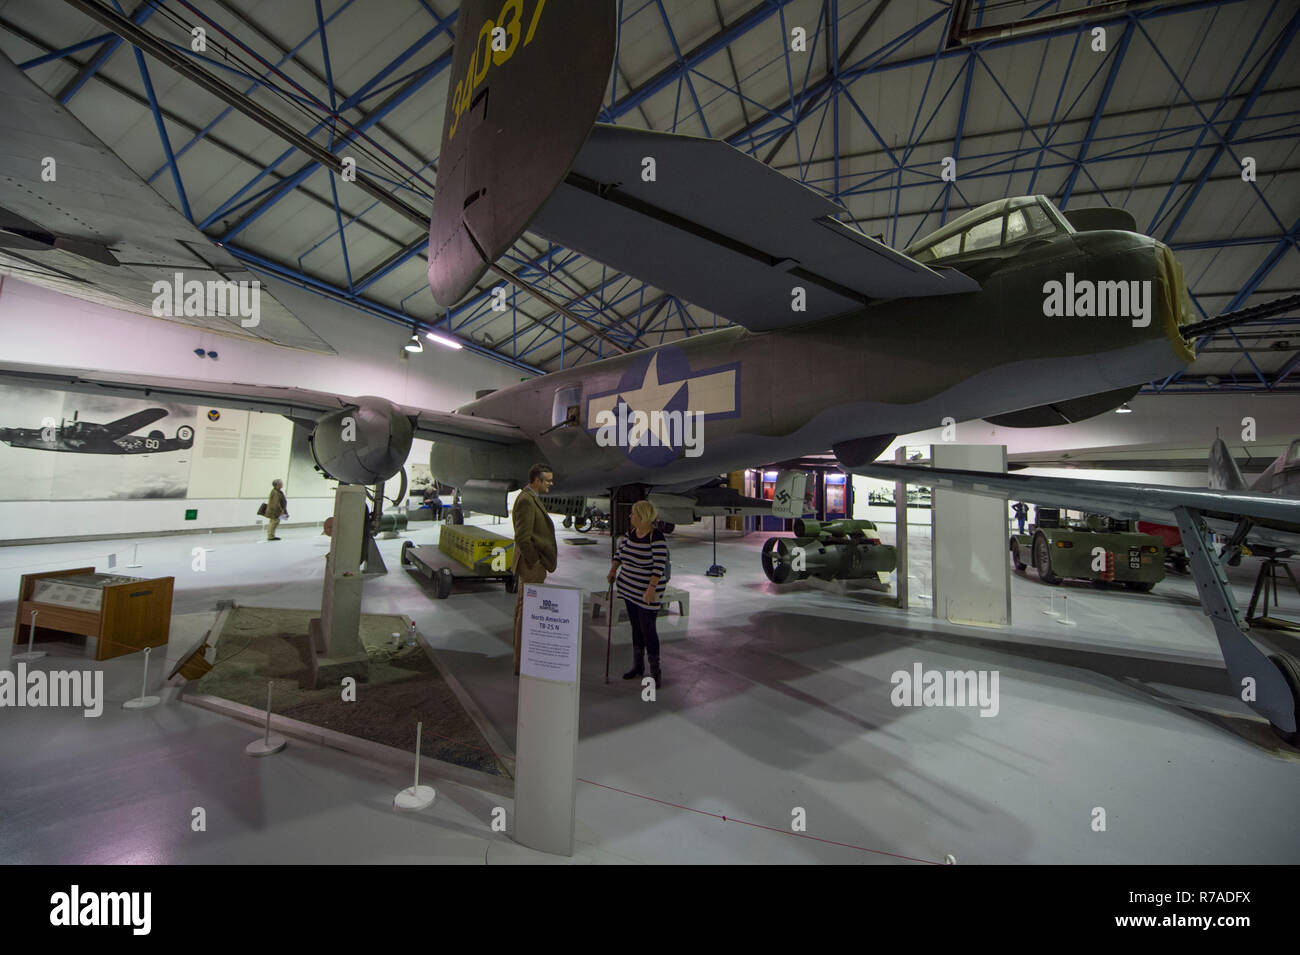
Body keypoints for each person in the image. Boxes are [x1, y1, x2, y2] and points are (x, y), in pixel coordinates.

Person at [608, 499, 669, 687]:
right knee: (636, 627)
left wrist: (651, 589)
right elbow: (619, 553)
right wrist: (613, 569)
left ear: (642, 516)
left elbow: (659, 566)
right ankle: (638, 665)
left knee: (648, 628)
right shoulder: (631, 533)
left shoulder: (656, 537)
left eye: (633, 513)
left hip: (646, 593)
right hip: (629, 588)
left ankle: (655, 670)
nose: (630, 516)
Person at [511, 463, 557, 675]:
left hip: (531, 564)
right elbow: (522, 537)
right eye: (547, 480)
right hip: (531, 565)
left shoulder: (530, 498)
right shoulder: (526, 501)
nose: (550, 483)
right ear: (536, 480)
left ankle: (522, 661)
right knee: (527, 612)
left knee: (524, 610)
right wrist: (535, 560)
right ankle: (522, 664)